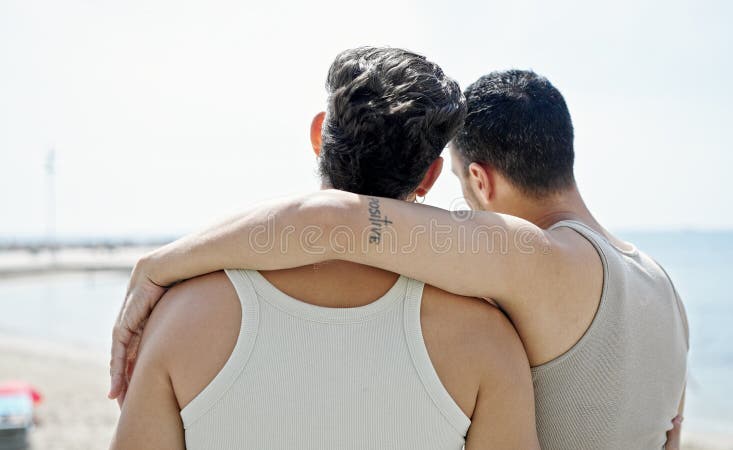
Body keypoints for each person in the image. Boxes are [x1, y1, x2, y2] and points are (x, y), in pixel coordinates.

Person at [111, 69, 689, 449]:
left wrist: (158, 266)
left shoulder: (532, 257)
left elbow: (334, 220)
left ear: (480, 181)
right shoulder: (663, 290)